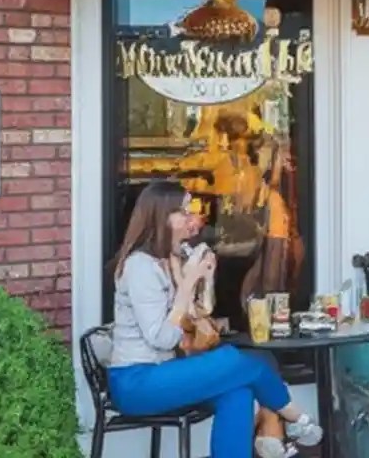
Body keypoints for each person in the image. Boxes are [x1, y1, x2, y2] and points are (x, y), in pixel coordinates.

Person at [107, 181, 323, 458]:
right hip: (137, 382)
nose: (192, 220)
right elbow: (160, 338)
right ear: (162, 218)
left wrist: (205, 280)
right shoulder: (140, 267)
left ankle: (288, 420)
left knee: (238, 391)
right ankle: (294, 417)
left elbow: (199, 315)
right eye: (183, 212)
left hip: (165, 373)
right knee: (236, 360)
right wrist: (187, 284)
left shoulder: (167, 261)